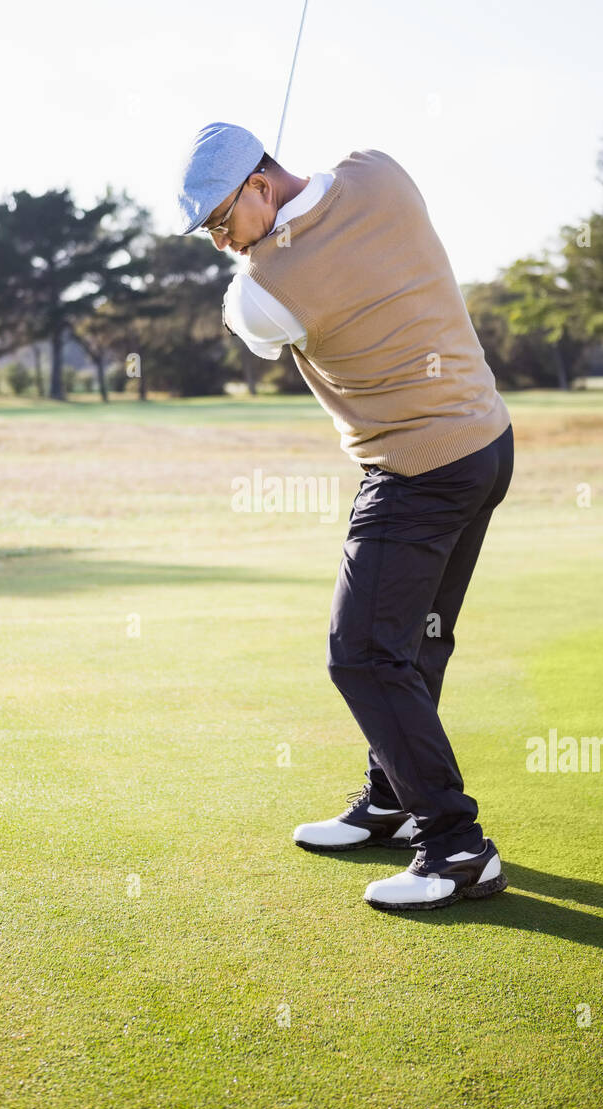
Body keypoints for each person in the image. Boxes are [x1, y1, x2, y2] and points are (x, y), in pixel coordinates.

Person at [174, 122, 514, 912]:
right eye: (211, 233)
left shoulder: (263, 290)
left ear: (262, 184)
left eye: (224, 221)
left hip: (416, 466)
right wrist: (278, 233)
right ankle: (391, 800)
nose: (223, 243)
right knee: (415, 644)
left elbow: (247, 324)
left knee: (361, 654)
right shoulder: (380, 169)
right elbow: (336, 210)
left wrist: (267, 253)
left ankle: (455, 845)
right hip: (487, 444)